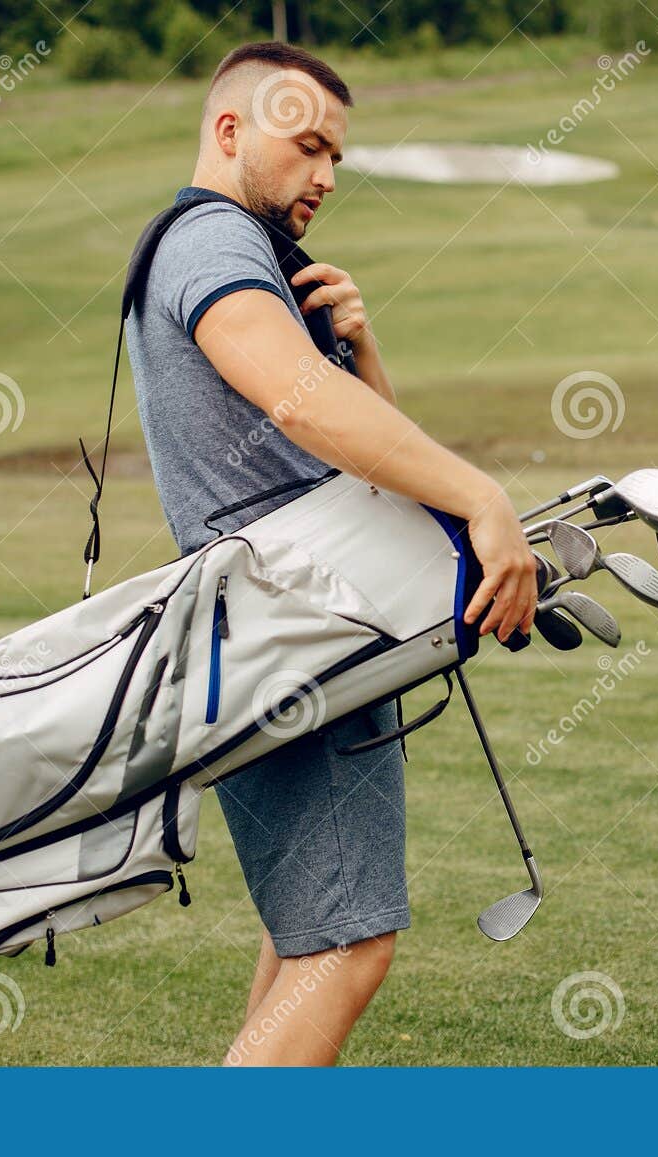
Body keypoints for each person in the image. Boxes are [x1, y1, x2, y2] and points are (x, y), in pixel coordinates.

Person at [124, 41, 537, 1066]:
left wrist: (362, 346)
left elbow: (364, 451)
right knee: (345, 947)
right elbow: (300, 406)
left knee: (305, 933)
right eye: (307, 147)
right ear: (229, 132)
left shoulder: (249, 258)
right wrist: (484, 498)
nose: (326, 178)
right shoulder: (215, 240)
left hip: (297, 632)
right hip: (296, 630)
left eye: (337, 157)